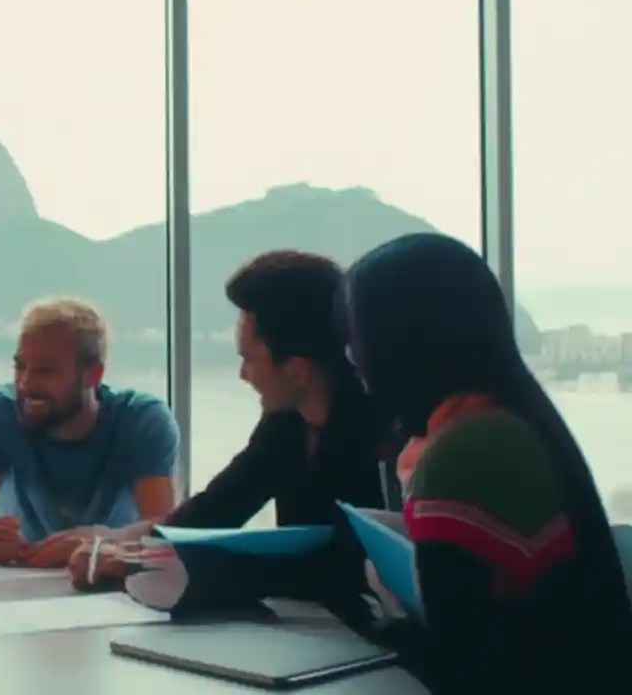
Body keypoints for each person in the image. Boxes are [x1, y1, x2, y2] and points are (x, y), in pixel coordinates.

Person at [341, 233, 632, 690]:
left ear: (400, 338)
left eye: (359, 334)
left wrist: (388, 611)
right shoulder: (506, 419)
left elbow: (464, 665)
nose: (352, 355)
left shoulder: (468, 449)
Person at [70, 251, 397, 603]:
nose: (242, 375)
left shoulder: (383, 441)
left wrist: (142, 560)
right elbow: (213, 510)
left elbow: (339, 569)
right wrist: (117, 545)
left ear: (296, 370)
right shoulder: (286, 426)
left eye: (249, 359)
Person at [0, 297, 179, 568]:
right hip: (17, 581)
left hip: (106, 581)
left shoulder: (142, 420)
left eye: (45, 371)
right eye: (20, 367)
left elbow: (164, 532)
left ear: (93, 376)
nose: (25, 384)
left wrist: (102, 542)